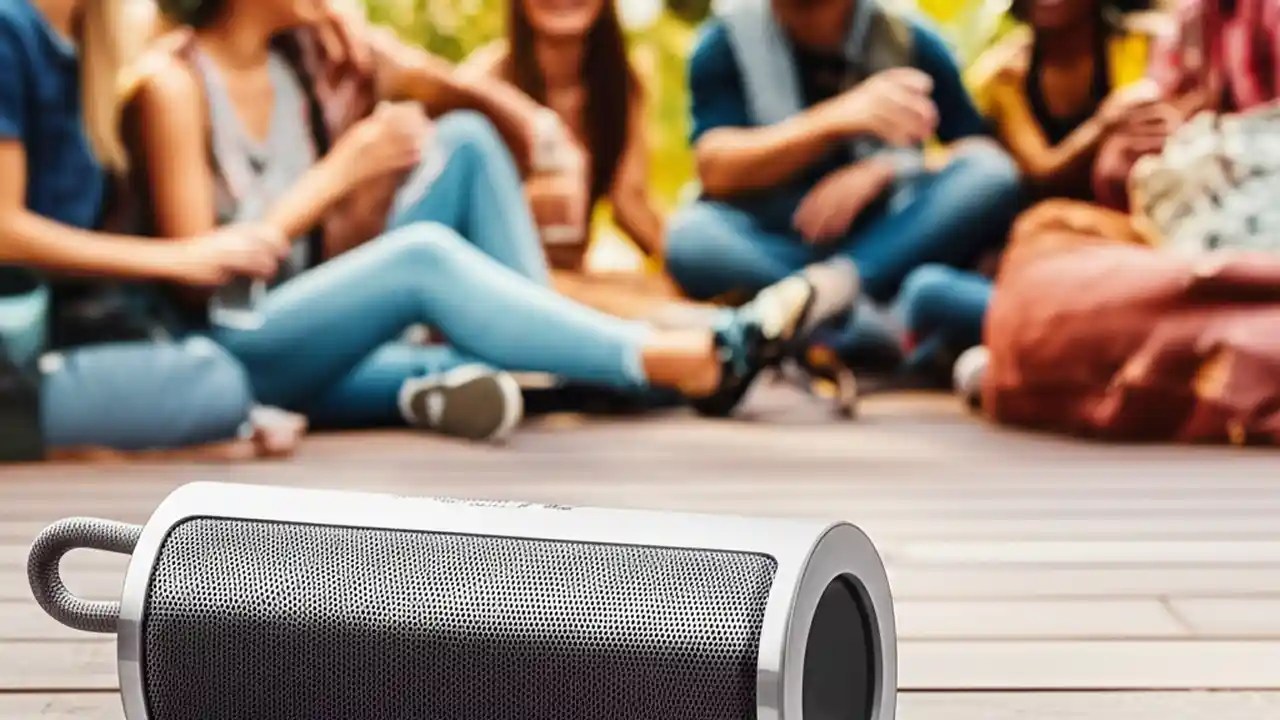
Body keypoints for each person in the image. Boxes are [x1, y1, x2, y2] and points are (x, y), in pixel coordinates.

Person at [128, 0, 846, 434]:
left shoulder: (306, 56)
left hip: (327, 329)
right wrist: (340, 171)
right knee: (423, 258)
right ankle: (671, 357)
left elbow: (442, 85)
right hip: (244, 342)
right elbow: (204, 284)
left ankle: (570, 357)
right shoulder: (175, 86)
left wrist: (532, 124)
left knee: (467, 145)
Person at [0, 0, 308, 461]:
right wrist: (182, 257)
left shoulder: (88, 42)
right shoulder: (9, 28)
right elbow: (4, 230)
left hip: (47, 346)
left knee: (211, 374)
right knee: (219, 380)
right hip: (15, 369)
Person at [665, 0, 1021, 309]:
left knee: (991, 175)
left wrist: (887, 168)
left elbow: (978, 153)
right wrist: (836, 119)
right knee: (690, 237)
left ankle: (827, 300)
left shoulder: (909, 38)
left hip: (890, 232)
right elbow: (715, 169)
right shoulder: (724, 42)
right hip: (779, 238)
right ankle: (854, 307)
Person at [897, 0, 1166, 379]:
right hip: (1042, 255)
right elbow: (1042, 171)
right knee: (926, 292)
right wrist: (1104, 125)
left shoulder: (1144, 47)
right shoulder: (1002, 75)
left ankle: (1053, 340)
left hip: (1128, 248)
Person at [462, 0, 664, 275]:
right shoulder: (483, 82)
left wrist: (694, 267)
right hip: (495, 271)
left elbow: (631, 202)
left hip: (570, 276)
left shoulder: (622, 86)